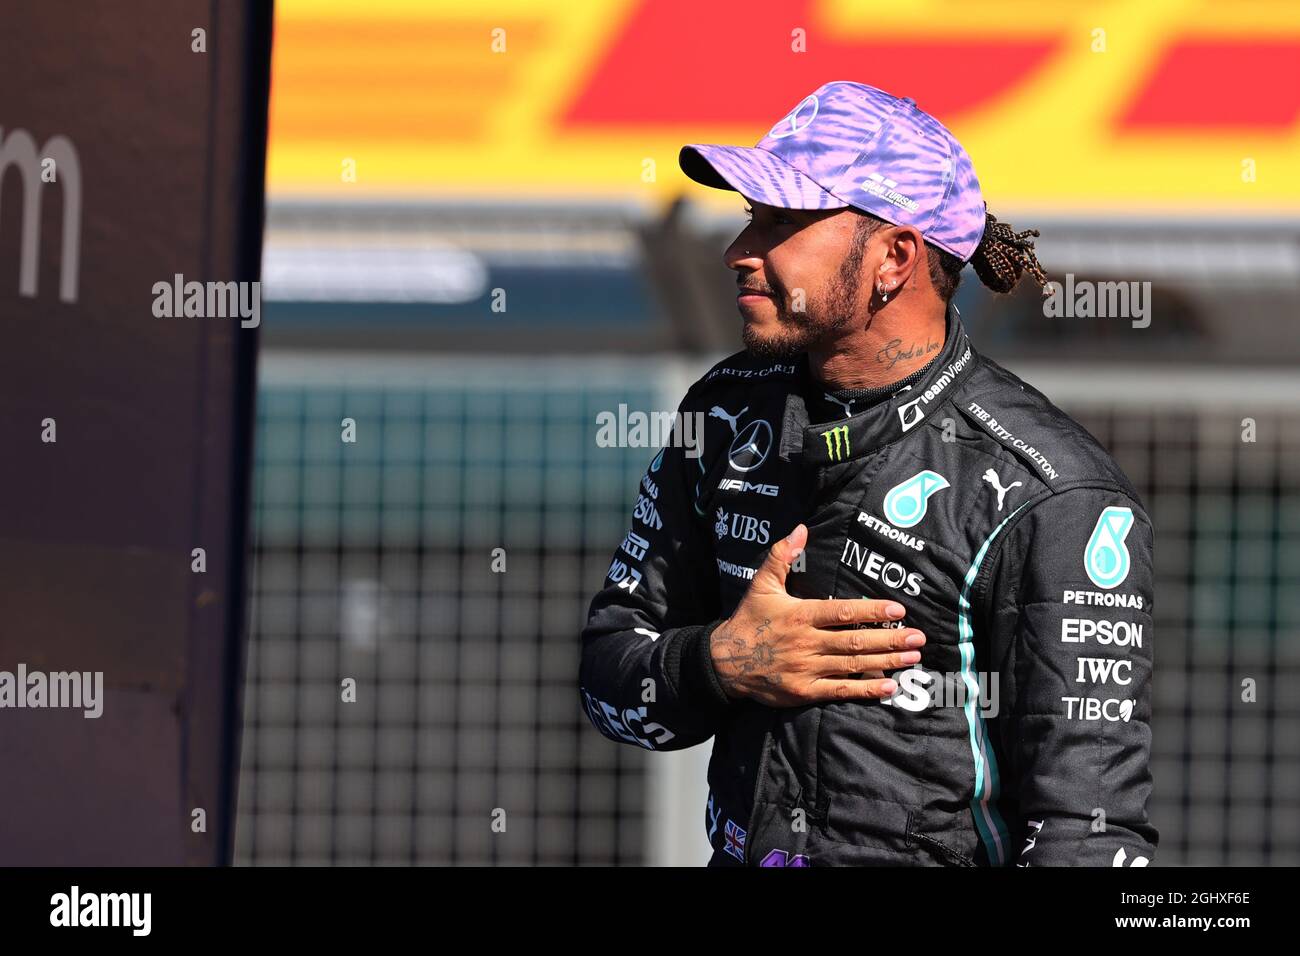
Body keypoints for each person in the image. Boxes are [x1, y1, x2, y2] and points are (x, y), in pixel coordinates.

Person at [578, 81, 1157, 867]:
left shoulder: (1051, 492)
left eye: (782, 221)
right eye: (752, 216)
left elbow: (1088, 833)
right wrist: (719, 663)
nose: (740, 250)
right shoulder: (722, 415)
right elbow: (608, 681)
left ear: (894, 258)